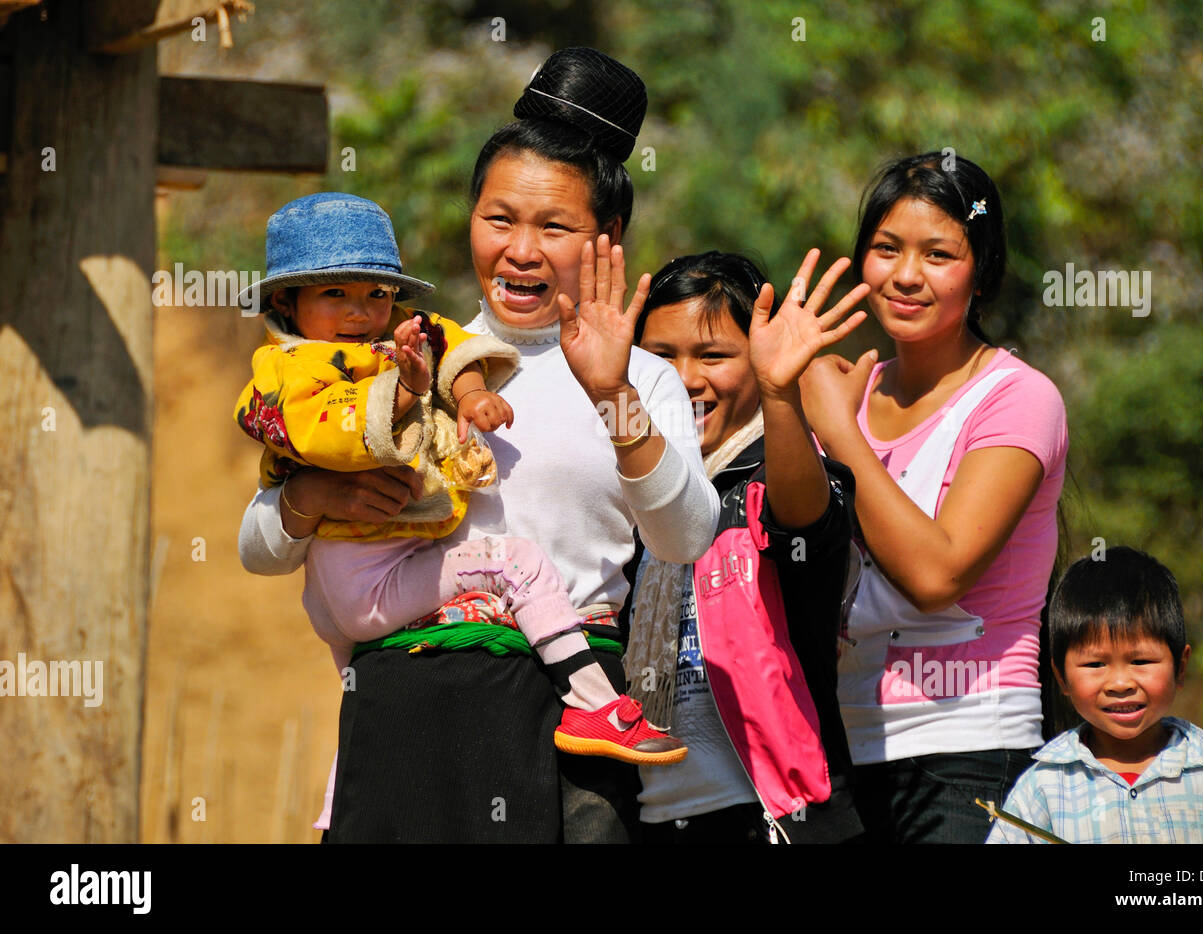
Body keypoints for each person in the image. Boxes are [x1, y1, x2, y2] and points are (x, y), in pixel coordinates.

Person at [237, 48, 718, 842]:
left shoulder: (642, 380)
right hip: (409, 704)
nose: (519, 251)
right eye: (500, 219)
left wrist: (612, 398)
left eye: (554, 226)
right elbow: (259, 548)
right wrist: (311, 499)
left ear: (609, 235)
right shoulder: (408, 358)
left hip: (572, 713)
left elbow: (685, 536)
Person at [233, 192, 686, 766]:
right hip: (363, 578)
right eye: (334, 294)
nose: (359, 311)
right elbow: (319, 430)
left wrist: (471, 392)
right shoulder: (286, 368)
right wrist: (397, 398)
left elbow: (454, 346)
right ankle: (594, 703)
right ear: (285, 301)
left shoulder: (400, 334)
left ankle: (337, 803)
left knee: (366, 722)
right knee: (513, 562)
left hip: (367, 605)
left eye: (377, 293)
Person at [800, 152, 1069, 843]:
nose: (906, 275)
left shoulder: (1018, 398)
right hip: (844, 754)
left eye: (939, 253)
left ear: (982, 272)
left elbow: (936, 574)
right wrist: (780, 393)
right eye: (886, 249)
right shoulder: (845, 393)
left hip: (971, 756)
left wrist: (837, 430)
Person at [627, 250, 868, 843]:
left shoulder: (780, 475)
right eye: (660, 357)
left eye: (714, 355)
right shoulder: (625, 492)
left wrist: (780, 391)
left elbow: (803, 520)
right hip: (649, 817)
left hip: (779, 821)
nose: (685, 379)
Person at [986, 547, 1203, 844]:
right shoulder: (1043, 788)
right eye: (1095, 664)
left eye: (1141, 661)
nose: (1120, 683)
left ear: (1181, 667)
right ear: (1061, 678)